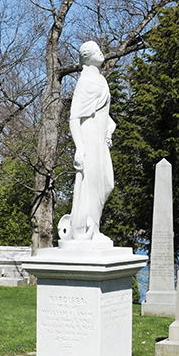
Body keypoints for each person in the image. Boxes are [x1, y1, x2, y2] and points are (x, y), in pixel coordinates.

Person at [62, 41, 115, 244]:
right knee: (93, 184)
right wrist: (79, 148)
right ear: (87, 57)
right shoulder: (84, 82)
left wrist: (109, 124)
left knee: (107, 183)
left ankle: (93, 227)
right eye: (96, 51)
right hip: (89, 137)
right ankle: (90, 230)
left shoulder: (101, 80)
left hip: (100, 138)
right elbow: (74, 118)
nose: (101, 52)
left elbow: (102, 111)